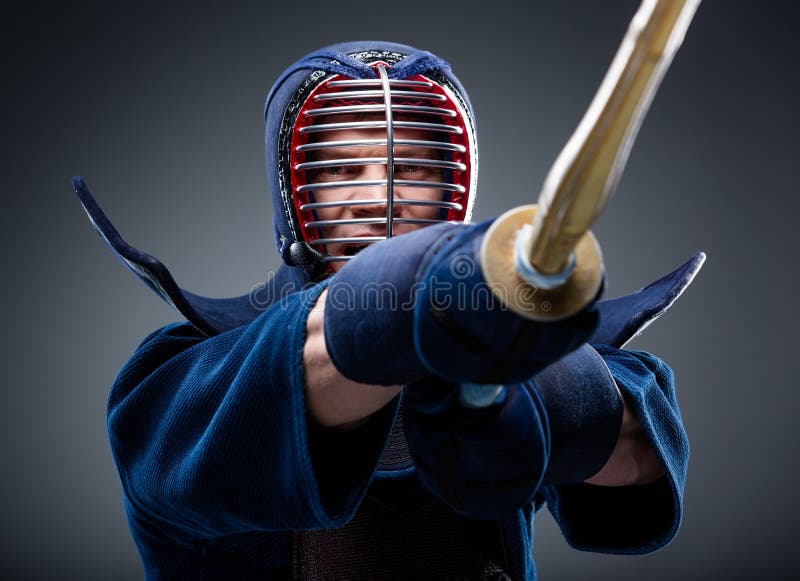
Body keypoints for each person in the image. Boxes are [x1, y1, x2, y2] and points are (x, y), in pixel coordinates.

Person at [74, 41, 703, 580]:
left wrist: (535, 381)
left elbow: (637, 455)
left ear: (454, 185)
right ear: (299, 189)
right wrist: (425, 298)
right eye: (345, 167)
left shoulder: (523, 348)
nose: (381, 191)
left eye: (419, 167)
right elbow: (295, 370)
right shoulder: (178, 380)